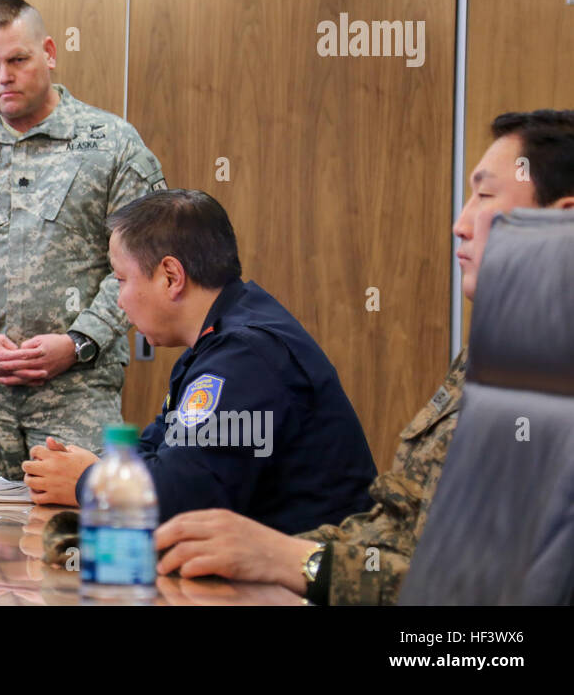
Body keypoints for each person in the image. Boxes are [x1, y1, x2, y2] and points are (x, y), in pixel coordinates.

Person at [150, 109, 574, 604]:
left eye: (484, 195)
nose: (460, 224)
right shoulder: (506, 353)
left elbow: (486, 593)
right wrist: (256, 552)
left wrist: (293, 561)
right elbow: (395, 527)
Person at [0, 0, 167, 479]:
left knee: (76, 535)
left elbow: (143, 264)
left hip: (77, 390)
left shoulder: (112, 143)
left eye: (18, 59)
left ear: (48, 51)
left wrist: (80, 341)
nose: (4, 76)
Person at [22, 188, 377, 534]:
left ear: (171, 277)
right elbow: (158, 453)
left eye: (121, 280)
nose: (120, 302)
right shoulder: (213, 342)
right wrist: (86, 470)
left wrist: (89, 481)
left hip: (308, 577)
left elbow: (184, 499)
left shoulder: (247, 356)